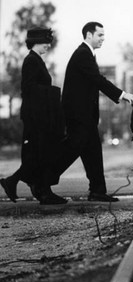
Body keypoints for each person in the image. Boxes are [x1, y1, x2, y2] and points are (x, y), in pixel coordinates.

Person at [40, 22, 133, 202]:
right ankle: (41, 183)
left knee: (92, 150)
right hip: (78, 115)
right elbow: (98, 80)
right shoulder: (83, 54)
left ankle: (97, 191)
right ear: (89, 35)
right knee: (70, 150)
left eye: (103, 36)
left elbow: (91, 84)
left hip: (84, 115)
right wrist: (121, 94)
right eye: (100, 35)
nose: (103, 39)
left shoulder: (87, 55)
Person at [1, 27, 67, 205]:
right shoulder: (31, 61)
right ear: (35, 42)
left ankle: (37, 188)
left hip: (39, 116)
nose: (48, 45)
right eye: (45, 42)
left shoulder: (36, 60)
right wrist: (52, 93)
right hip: (36, 118)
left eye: (48, 42)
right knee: (39, 155)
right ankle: (37, 189)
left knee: (40, 155)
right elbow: (28, 88)